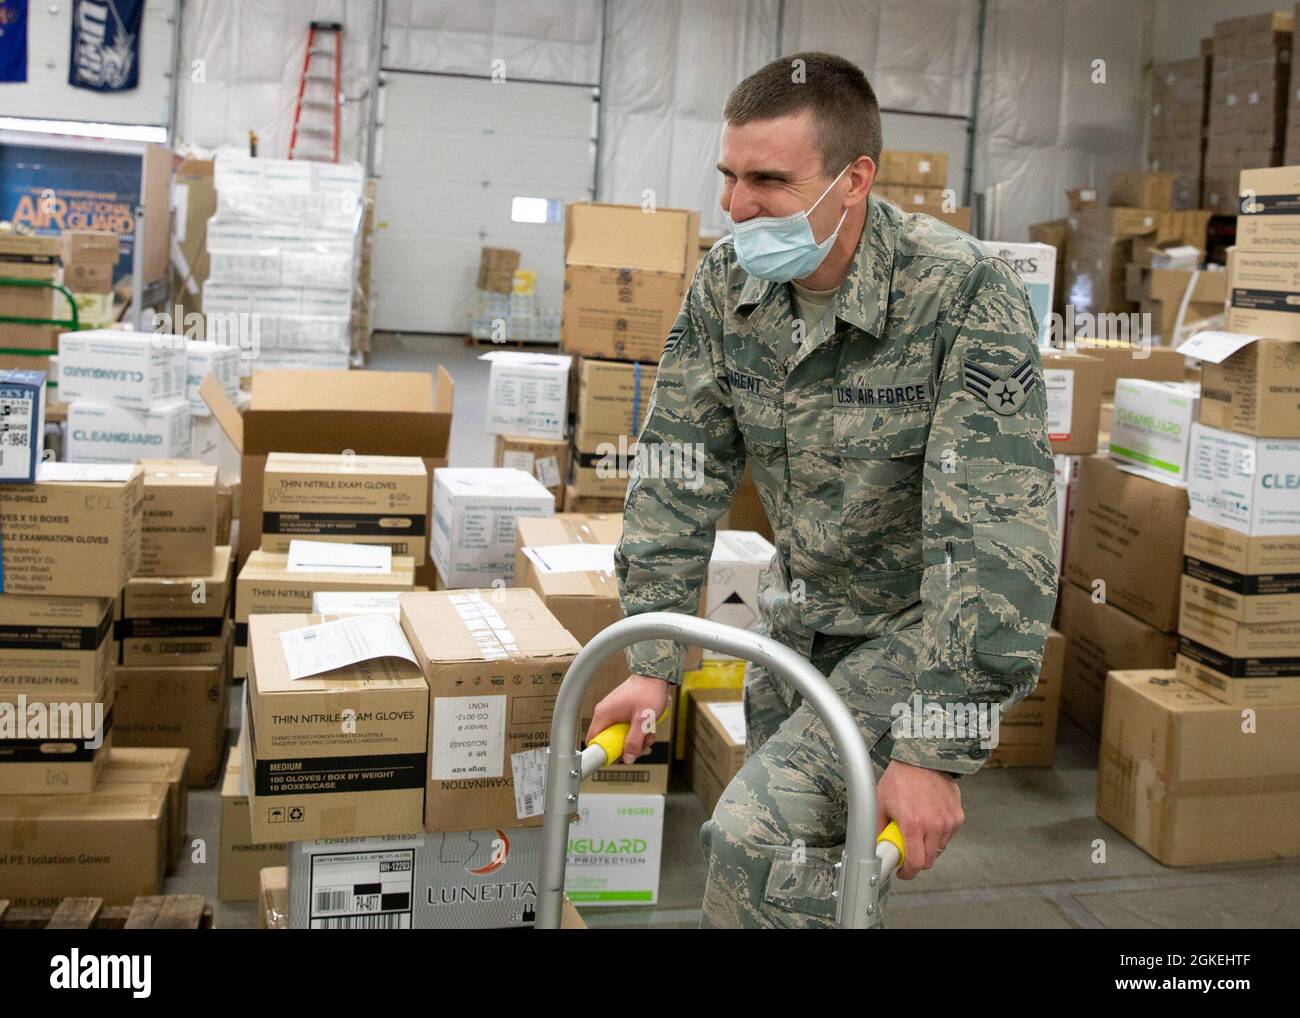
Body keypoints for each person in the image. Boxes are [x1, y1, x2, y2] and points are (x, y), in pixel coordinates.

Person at [586, 51, 1059, 928]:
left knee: (753, 842)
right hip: (795, 629)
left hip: (913, 634)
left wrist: (936, 745)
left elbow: (996, 533)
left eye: (769, 179)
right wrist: (652, 663)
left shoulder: (959, 293)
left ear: (855, 179)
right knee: (814, 882)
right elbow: (676, 474)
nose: (736, 207)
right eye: (727, 176)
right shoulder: (729, 286)